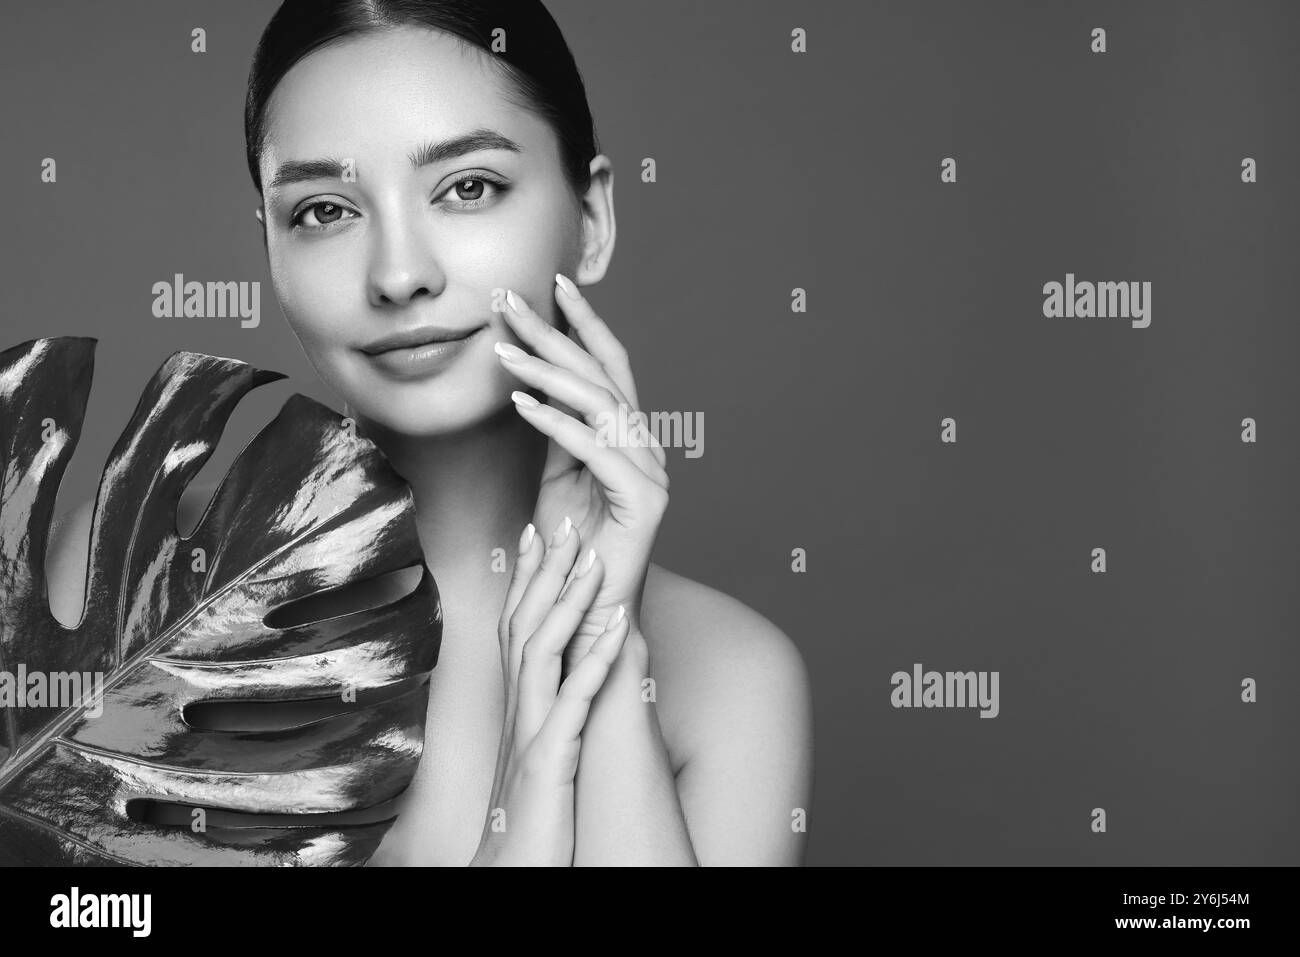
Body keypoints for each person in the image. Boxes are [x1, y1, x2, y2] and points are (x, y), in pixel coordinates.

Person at [47, 0, 812, 866]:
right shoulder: (132, 572)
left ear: (591, 219)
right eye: (326, 210)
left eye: (468, 188)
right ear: (269, 246)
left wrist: (597, 650)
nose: (400, 273)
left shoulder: (731, 677)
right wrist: (519, 820)